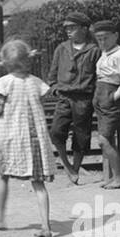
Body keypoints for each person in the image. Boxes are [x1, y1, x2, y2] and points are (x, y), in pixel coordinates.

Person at [0, 38, 54, 237]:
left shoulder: (3, 83)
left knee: (3, 176)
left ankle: (0, 218)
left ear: (6, 63)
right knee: (39, 184)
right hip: (35, 139)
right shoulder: (36, 82)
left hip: (12, 138)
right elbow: (43, 99)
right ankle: (46, 226)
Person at [46, 11, 101, 185]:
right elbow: (52, 75)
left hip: (83, 99)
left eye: (73, 27)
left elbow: (99, 76)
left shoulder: (94, 50)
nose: (68, 31)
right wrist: (55, 88)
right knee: (56, 132)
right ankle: (68, 166)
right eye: (67, 28)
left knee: (81, 136)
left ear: (84, 29)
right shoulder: (61, 48)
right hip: (64, 97)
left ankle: (75, 169)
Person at [91, 20, 120, 189]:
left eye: (106, 38)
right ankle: (114, 176)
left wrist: (114, 96)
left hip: (109, 96)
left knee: (103, 140)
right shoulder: (104, 53)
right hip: (100, 96)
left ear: (115, 36)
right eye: (99, 39)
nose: (102, 42)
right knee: (106, 138)